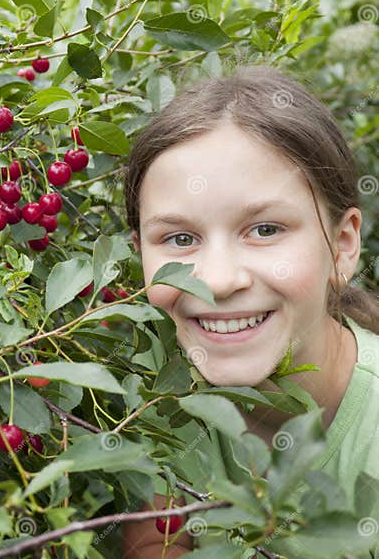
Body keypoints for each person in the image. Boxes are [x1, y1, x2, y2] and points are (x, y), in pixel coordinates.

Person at [120, 64, 379, 558]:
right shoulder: (154, 388)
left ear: (343, 246)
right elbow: (154, 538)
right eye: (179, 239)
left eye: (265, 230)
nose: (217, 279)